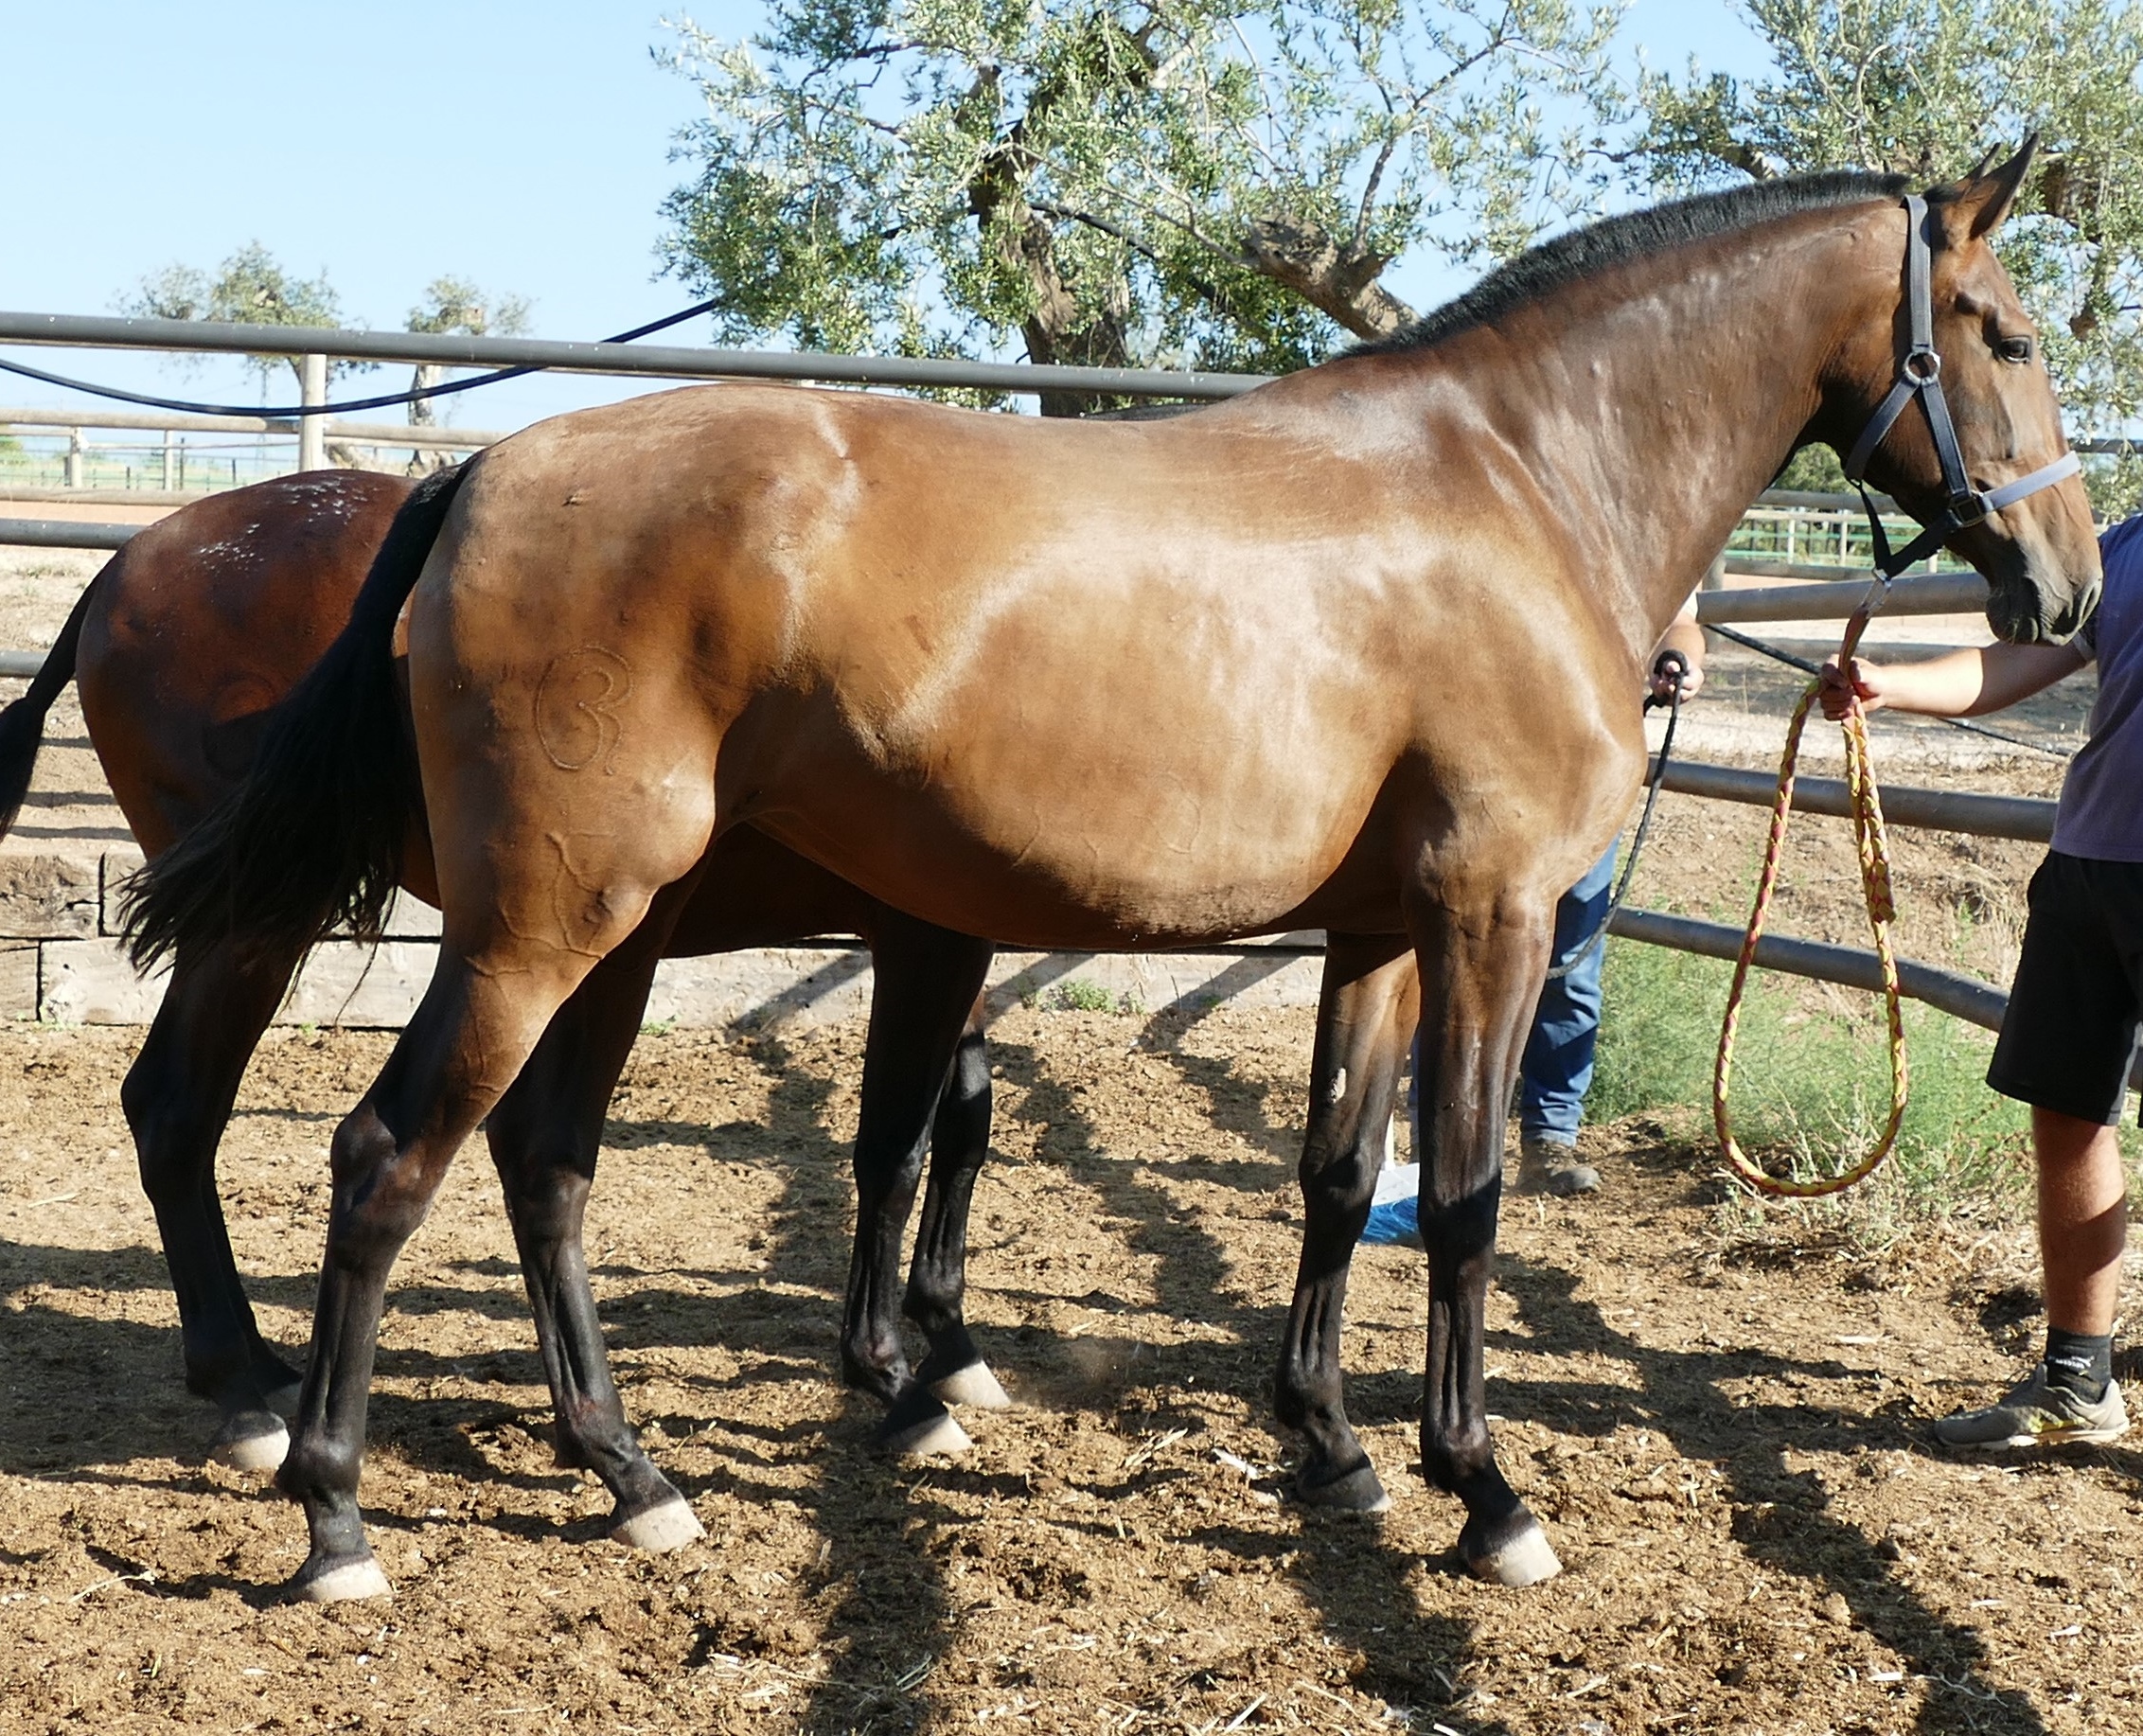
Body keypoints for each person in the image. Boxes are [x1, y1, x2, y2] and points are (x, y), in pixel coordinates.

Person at [1819, 518, 2139, 1449]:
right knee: (2066, 1113)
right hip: (2087, 861)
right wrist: (1891, 686)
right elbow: (2008, 663)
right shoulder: (2116, 549)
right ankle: (2077, 1380)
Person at [1517, 601, 1708, 1197]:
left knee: (1573, 959)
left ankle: (1549, 1138)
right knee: (1458, 947)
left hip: (1590, 758)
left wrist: (1682, 659)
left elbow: (1681, 615)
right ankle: (1437, 1133)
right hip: (1500, 735)